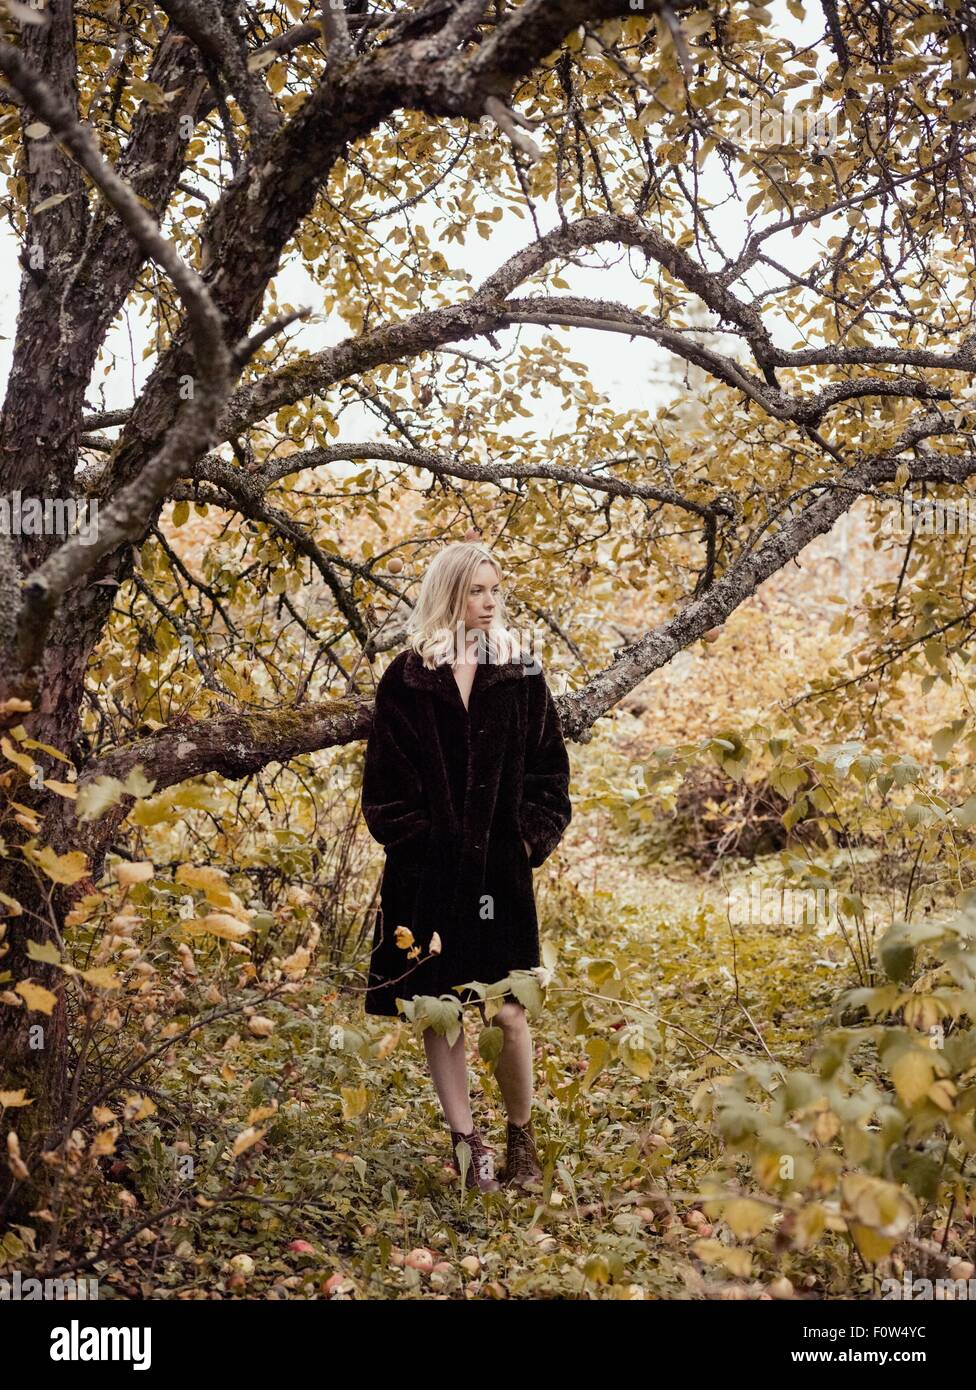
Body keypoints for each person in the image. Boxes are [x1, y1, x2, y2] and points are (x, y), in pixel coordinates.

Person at [360, 541, 573, 1192]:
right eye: (476, 590)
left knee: (508, 1013)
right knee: (440, 1011)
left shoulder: (520, 673)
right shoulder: (407, 678)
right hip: (426, 884)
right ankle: (468, 1146)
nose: (488, 602)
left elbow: (550, 780)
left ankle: (520, 1138)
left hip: (500, 883)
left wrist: (523, 844)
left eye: (494, 591)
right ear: (449, 593)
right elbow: (383, 793)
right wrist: (423, 846)